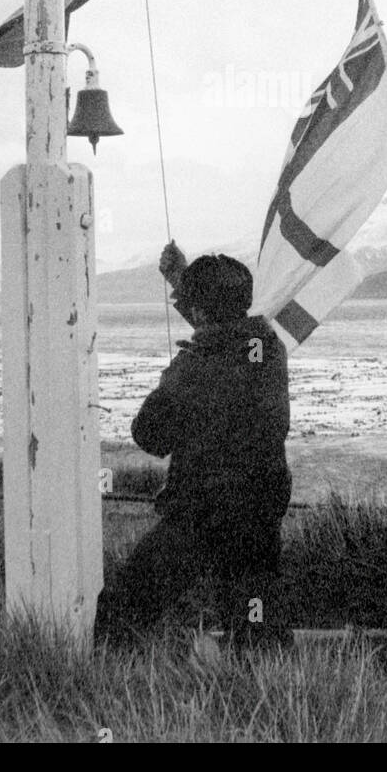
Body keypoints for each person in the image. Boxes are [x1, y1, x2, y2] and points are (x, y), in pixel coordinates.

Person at [94, 242, 293, 649]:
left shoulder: (194, 369)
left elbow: (149, 435)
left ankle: (108, 687)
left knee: (125, 606)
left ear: (199, 312)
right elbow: (227, 328)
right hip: (258, 510)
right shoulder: (267, 347)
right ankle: (272, 695)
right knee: (257, 621)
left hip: (201, 516)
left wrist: (175, 377)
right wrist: (182, 281)